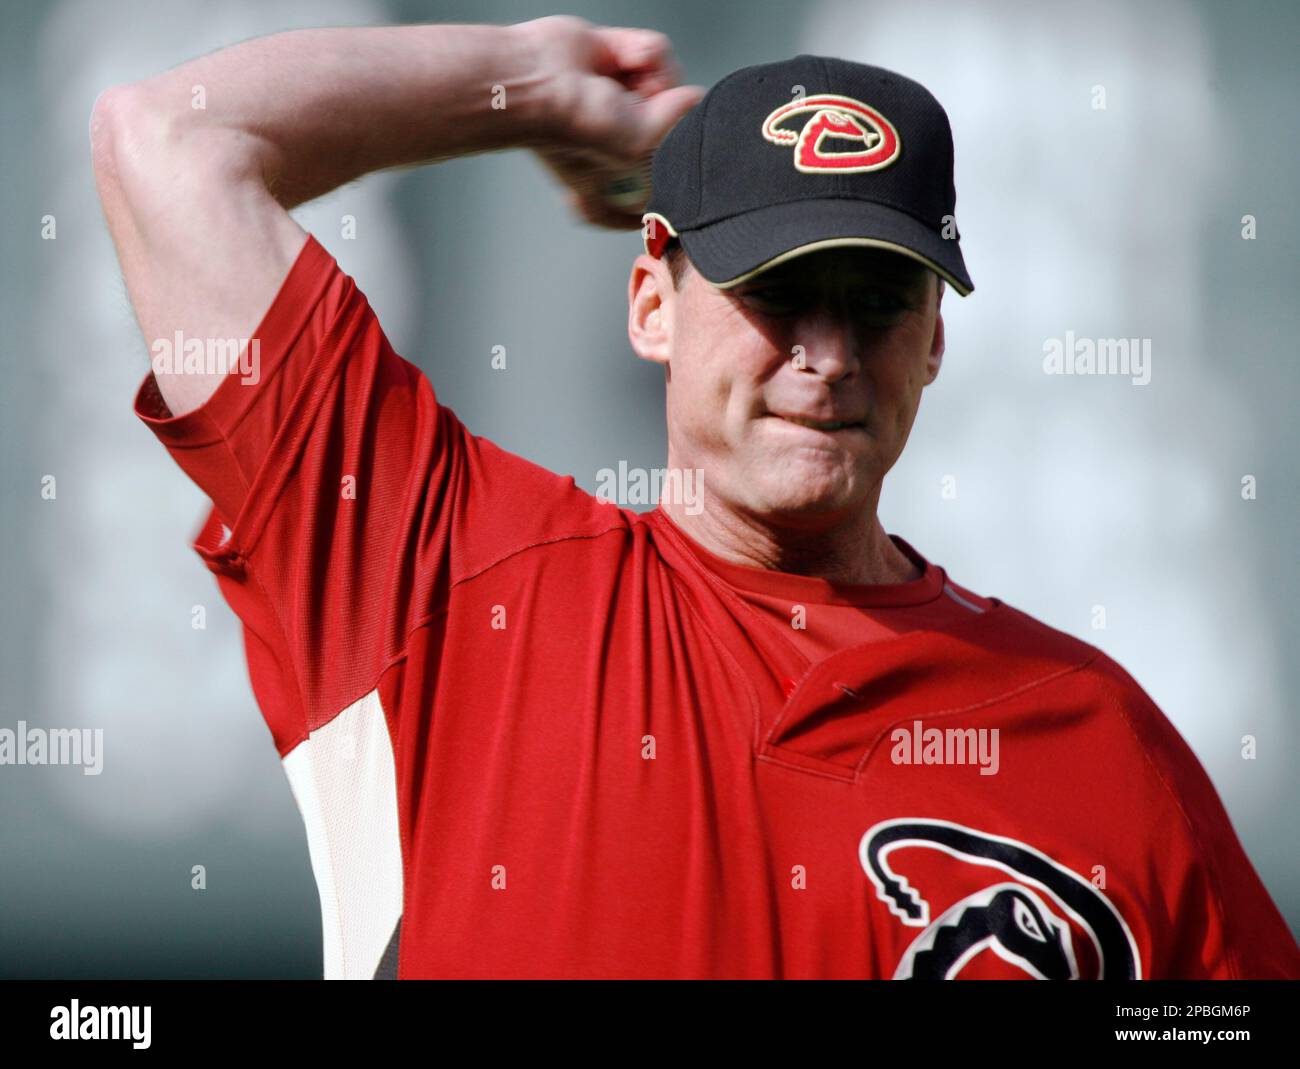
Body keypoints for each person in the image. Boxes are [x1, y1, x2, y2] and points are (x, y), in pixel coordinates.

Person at [91, 15, 1300, 979]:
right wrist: (530, 85)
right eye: (776, 290)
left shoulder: (1094, 739)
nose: (825, 353)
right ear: (651, 304)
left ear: (935, 339)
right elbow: (170, 143)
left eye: (878, 297)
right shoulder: (444, 588)